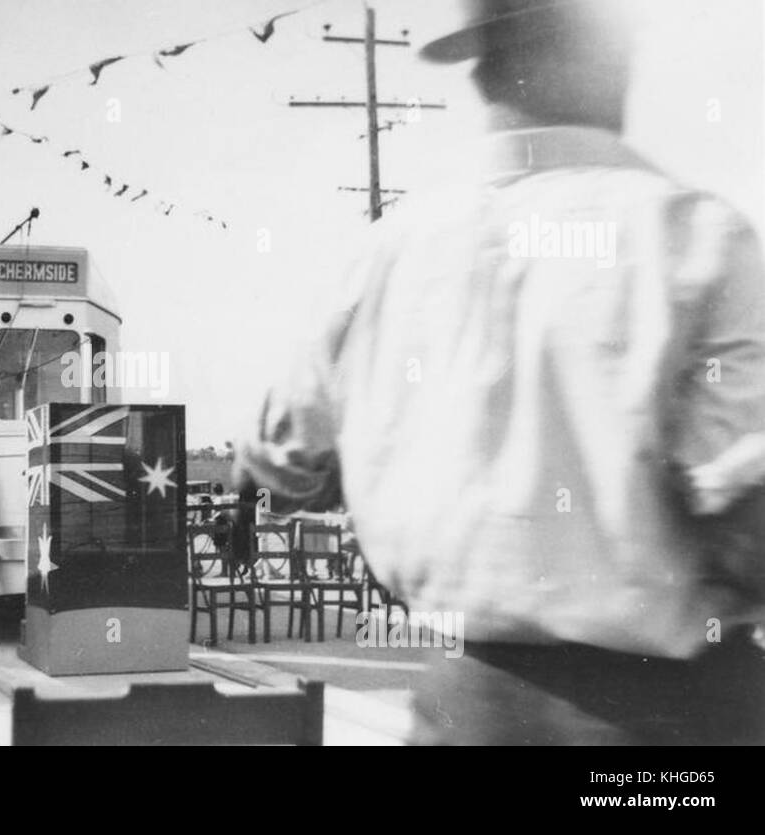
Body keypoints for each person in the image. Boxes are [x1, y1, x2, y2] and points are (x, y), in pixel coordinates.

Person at [233, 0, 765, 744]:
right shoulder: (696, 237)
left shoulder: (385, 253)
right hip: (659, 725)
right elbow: (746, 519)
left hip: (461, 707)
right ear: (606, 58)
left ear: (483, 73)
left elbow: (283, 456)